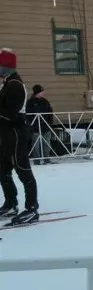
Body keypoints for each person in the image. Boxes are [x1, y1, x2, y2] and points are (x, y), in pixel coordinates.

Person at [0, 48, 39, 225]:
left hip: (16, 133)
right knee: (2, 171)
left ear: (5, 67)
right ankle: (11, 203)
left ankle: (31, 208)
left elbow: (10, 113)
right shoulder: (8, 83)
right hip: (6, 134)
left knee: (23, 170)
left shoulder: (15, 85)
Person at [26, 84, 53, 165]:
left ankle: (46, 159)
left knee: (47, 143)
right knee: (36, 145)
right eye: (42, 91)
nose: (43, 93)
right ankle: (37, 160)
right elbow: (28, 115)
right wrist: (32, 124)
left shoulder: (45, 101)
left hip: (45, 126)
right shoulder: (30, 102)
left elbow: (50, 112)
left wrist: (50, 123)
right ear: (37, 92)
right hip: (35, 127)